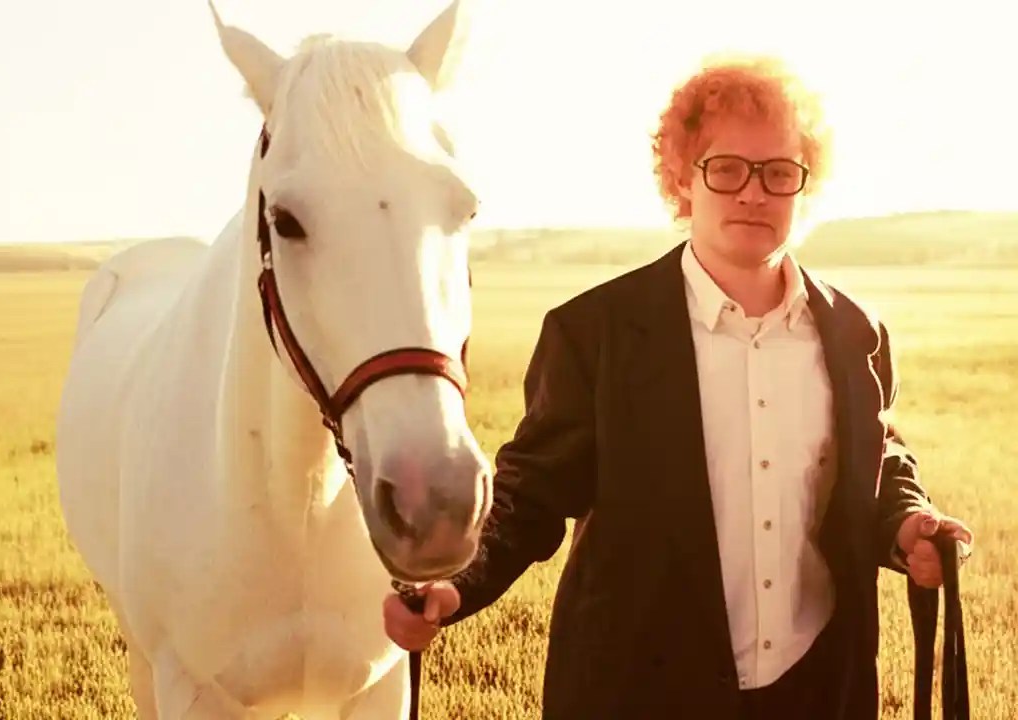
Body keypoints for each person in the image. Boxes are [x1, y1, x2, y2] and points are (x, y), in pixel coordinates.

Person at [382, 53, 975, 720]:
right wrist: (456, 584)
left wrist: (906, 525)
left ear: (805, 186)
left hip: (818, 690)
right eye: (726, 168)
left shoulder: (854, 332)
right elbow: (531, 494)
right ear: (682, 179)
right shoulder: (594, 332)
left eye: (779, 172)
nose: (753, 192)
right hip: (638, 691)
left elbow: (876, 460)